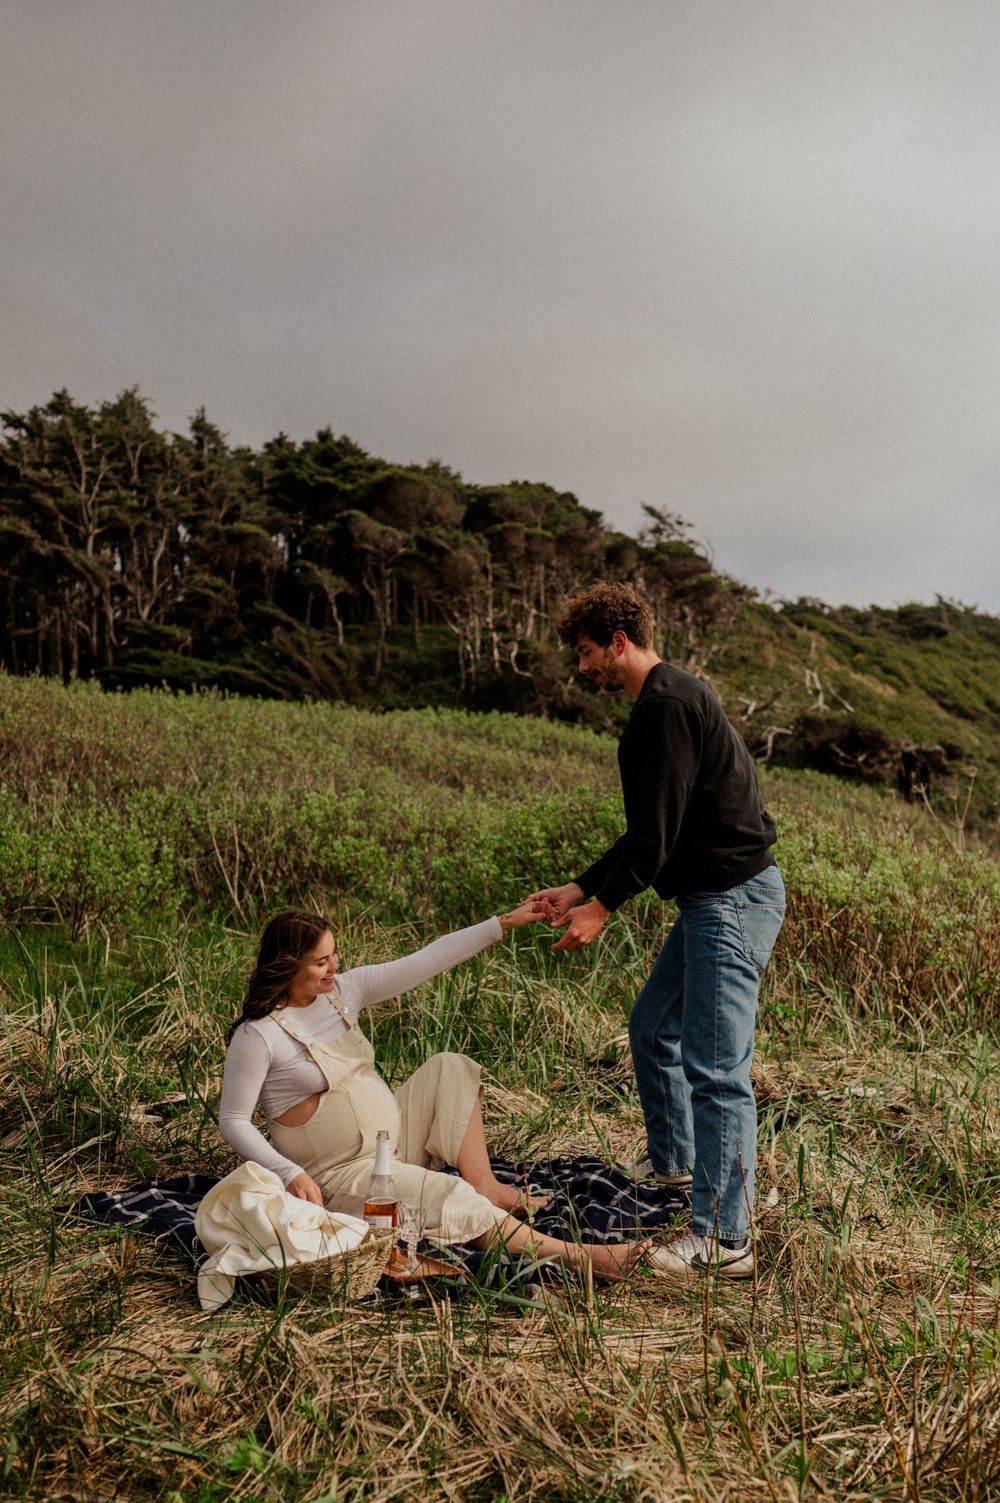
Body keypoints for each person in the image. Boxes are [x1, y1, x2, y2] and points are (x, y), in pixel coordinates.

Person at [529, 581, 785, 1279]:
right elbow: (650, 827)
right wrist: (580, 887)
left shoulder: (667, 704)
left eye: (588, 652)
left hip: (731, 899)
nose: (583, 667)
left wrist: (602, 908)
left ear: (619, 641)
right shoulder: (666, 699)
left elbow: (659, 831)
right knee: (652, 1028)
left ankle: (725, 1240)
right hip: (713, 899)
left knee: (716, 1069)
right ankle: (675, 1168)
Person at [218, 905, 651, 1281]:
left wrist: (504, 923)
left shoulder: (344, 992)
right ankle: (583, 1257)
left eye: (334, 955)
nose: (334, 966)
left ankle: (488, 1188)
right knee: (452, 1195)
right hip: (338, 1175)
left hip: (391, 1145)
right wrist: (289, 1173)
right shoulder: (259, 1035)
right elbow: (234, 1120)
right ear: (288, 965)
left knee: (451, 1067)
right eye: (320, 962)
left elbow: (429, 958)